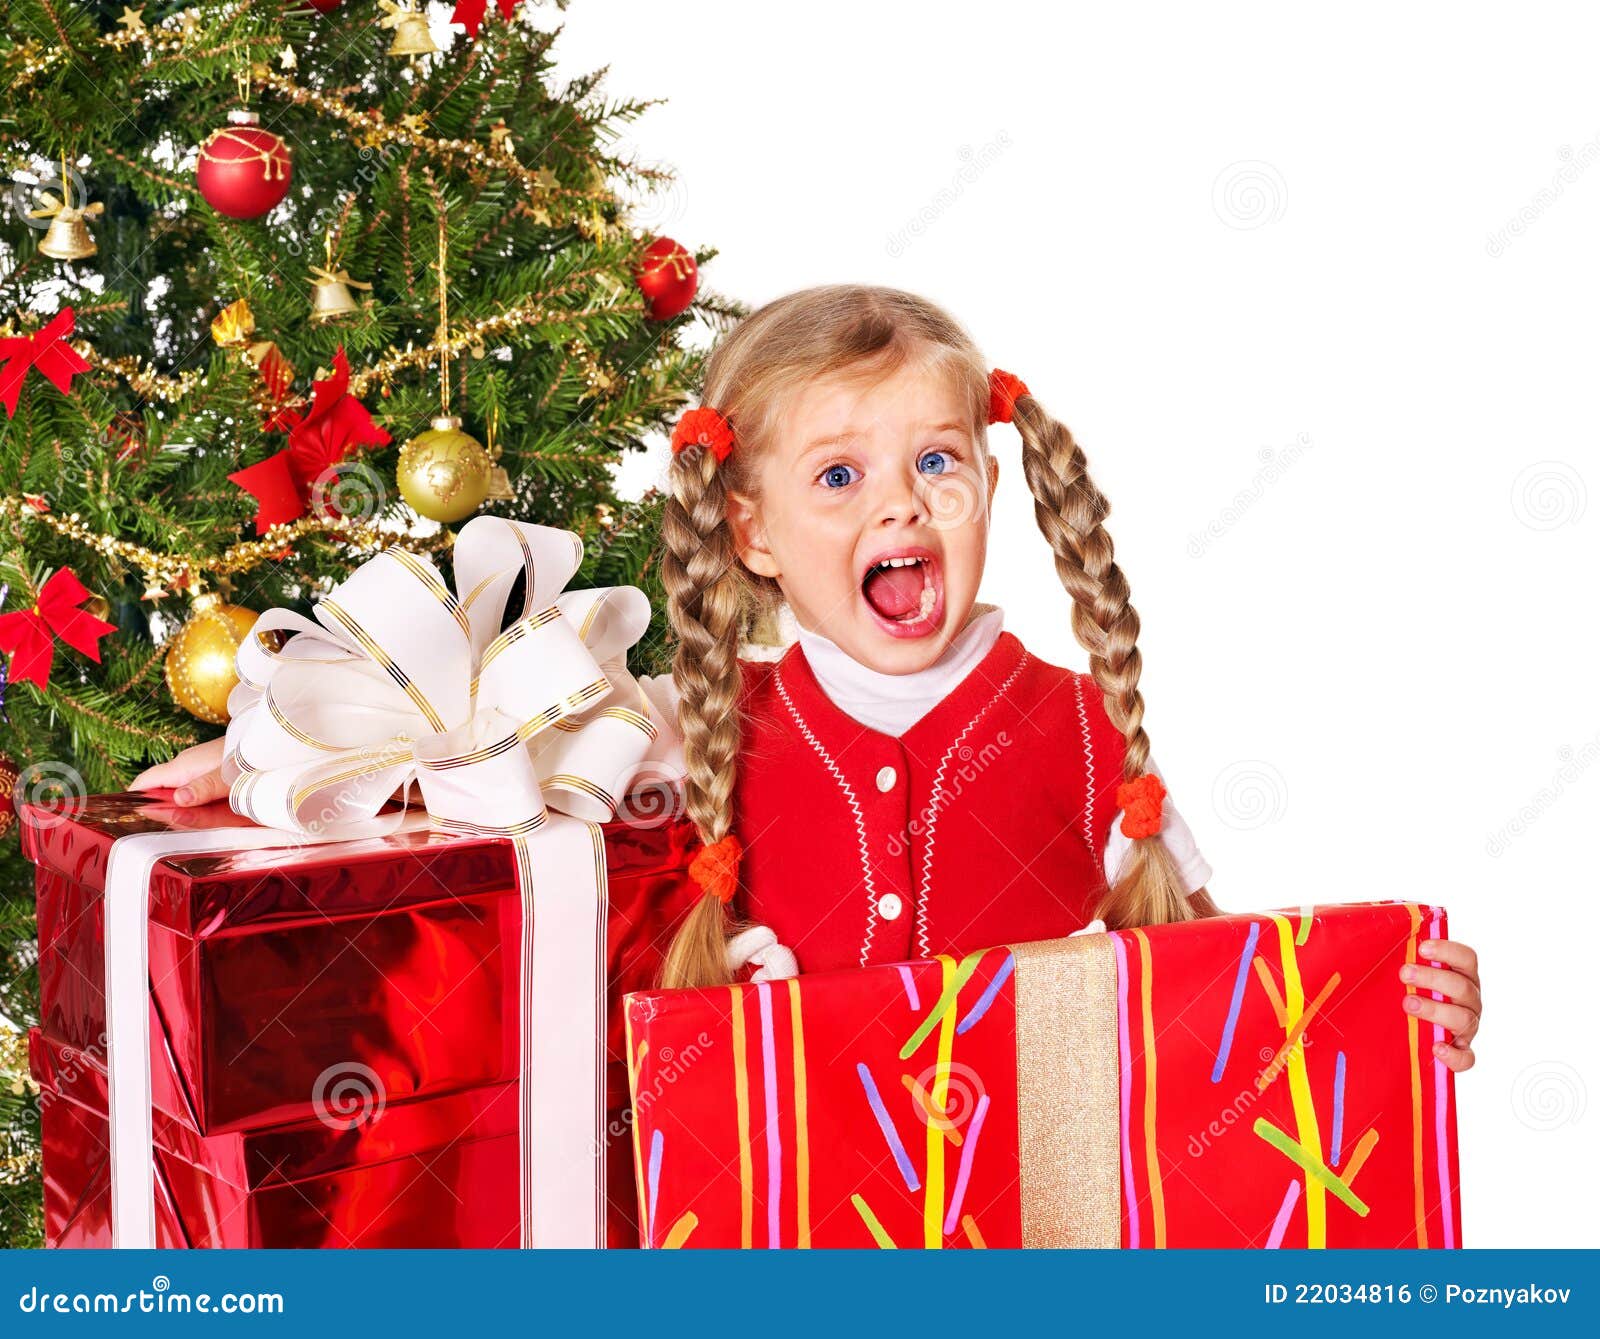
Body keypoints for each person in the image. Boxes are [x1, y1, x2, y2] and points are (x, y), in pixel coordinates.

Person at [133, 284, 1482, 1073]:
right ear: (755, 531)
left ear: (989, 486)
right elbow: (463, 752)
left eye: (935, 463)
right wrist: (260, 767)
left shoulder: (1082, 736)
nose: (901, 504)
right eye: (839, 475)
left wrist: (1387, 1012)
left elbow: (1219, 1007)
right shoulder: (688, 729)